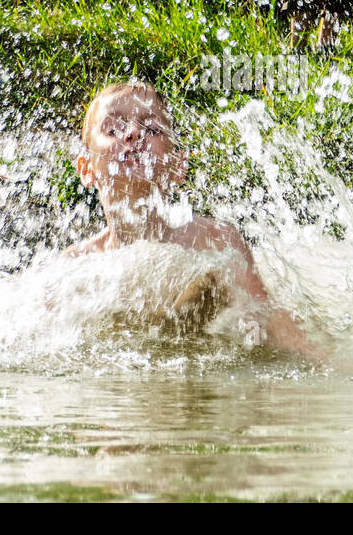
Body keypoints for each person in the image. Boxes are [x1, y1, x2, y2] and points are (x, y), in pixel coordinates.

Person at [65, 80, 322, 358]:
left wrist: (319, 362)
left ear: (178, 166)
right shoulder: (77, 265)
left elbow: (268, 317)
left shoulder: (214, 239)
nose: (133, 133)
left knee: (212, 281)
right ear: (86, 168)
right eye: (113, 129)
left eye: (151, 129)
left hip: (201, 369)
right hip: (121, 383)